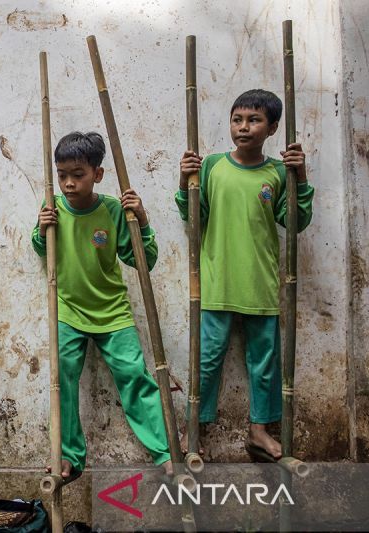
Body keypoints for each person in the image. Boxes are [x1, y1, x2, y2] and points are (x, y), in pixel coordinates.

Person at [176, 89, 315, 460]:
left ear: (272, 128)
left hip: (261, 282)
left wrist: (301, 177)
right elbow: (194, 217)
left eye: (254, 120)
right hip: (217, 281)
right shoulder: (211, 166)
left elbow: (295, 222)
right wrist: (182, 181)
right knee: (206, 359)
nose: (244, 127)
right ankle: (194, 431)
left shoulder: (277, 172)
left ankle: (258, 432)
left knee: (265, 362)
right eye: (238, 119)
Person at [33, 131, 172, 478]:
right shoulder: (53, 207)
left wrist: (142, 221)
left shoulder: (111, 209)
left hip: (112, 312)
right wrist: (40, 229)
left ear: (97, 174)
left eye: (77, 174)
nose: (67, 183)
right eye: (62, 175)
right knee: (60, 380)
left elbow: (143, 260)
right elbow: (41, 249)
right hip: (68, 311)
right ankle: (67, 455)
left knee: (135, 375)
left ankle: (166, 450)